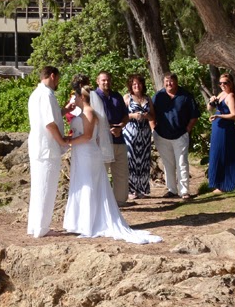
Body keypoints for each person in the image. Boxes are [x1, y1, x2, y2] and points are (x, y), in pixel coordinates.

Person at [62, 75, 162, 244]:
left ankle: (89, 222)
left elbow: (87, 136)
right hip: (81, 153)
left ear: (81, 97)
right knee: (81, 184)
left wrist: (68, 140)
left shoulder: (89, 113)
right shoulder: (84, 111)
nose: (74, 99)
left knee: (89, 185)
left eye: (76, 96)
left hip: (87, 152)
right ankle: (80, 221)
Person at [26, 65, 74, 237]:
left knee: (38, 187)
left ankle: (34, 226)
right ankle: (42, 228)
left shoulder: (36, 94)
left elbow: (49, 116)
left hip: (39, 146)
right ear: (53, 76)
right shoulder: (46, 94)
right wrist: (62, 141)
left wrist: (64, 110)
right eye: (58, 79)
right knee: (46, 187)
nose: (58, 82)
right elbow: (49, 123)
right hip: (46, 147)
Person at [152, 72, 200, 199]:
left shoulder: (186, 96)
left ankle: (184, 191)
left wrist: (188, 129)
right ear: (163, 83)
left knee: (182, 162)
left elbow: (194, 115)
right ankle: (172, 190)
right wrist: (153, 129)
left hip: (180, 135)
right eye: (167, 81)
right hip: (162, 135)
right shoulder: (158, 96)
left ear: (176, 82)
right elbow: (151, 114)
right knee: (168, 164)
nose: (169, 84)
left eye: (171, 81)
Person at [92, 71, 130, 204]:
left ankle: (120, 201)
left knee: (121, 173)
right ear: (97, 81)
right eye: (103, 80)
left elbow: (126, 115)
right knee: (102, 173)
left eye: (108, 80)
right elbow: (92, 118)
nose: (106, 82)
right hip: (102, 140)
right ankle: (101, 202)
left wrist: (120, 127)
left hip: (119, 138)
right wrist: (107, 129)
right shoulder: (93, 97)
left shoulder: (117, 96)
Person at [206, 73, 235, 194]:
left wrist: (219, 115)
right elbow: (209, 109)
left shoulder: (231, 96)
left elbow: (234, 115)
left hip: (226, 130)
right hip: (218, 128)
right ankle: (216, 182)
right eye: (221, 83)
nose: (223, 85)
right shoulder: (221, 94)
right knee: (216, 153)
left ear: (231, 83)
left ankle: (225, 184)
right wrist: (211, 102)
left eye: (226, 83)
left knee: (224, 154)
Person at [122, 73, 157, 196]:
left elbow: (153, 116)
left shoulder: (147, 98)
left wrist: (147, 116)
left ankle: (142, 189)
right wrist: (132, 115)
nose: (137, 86)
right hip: (130, 133)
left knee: (143, 161)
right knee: (131, 161)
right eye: (134, 84)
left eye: (139, 83)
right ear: (131, 86)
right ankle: (131, 190)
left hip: (145, 134)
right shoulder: (127, 97)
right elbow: (122, 115)